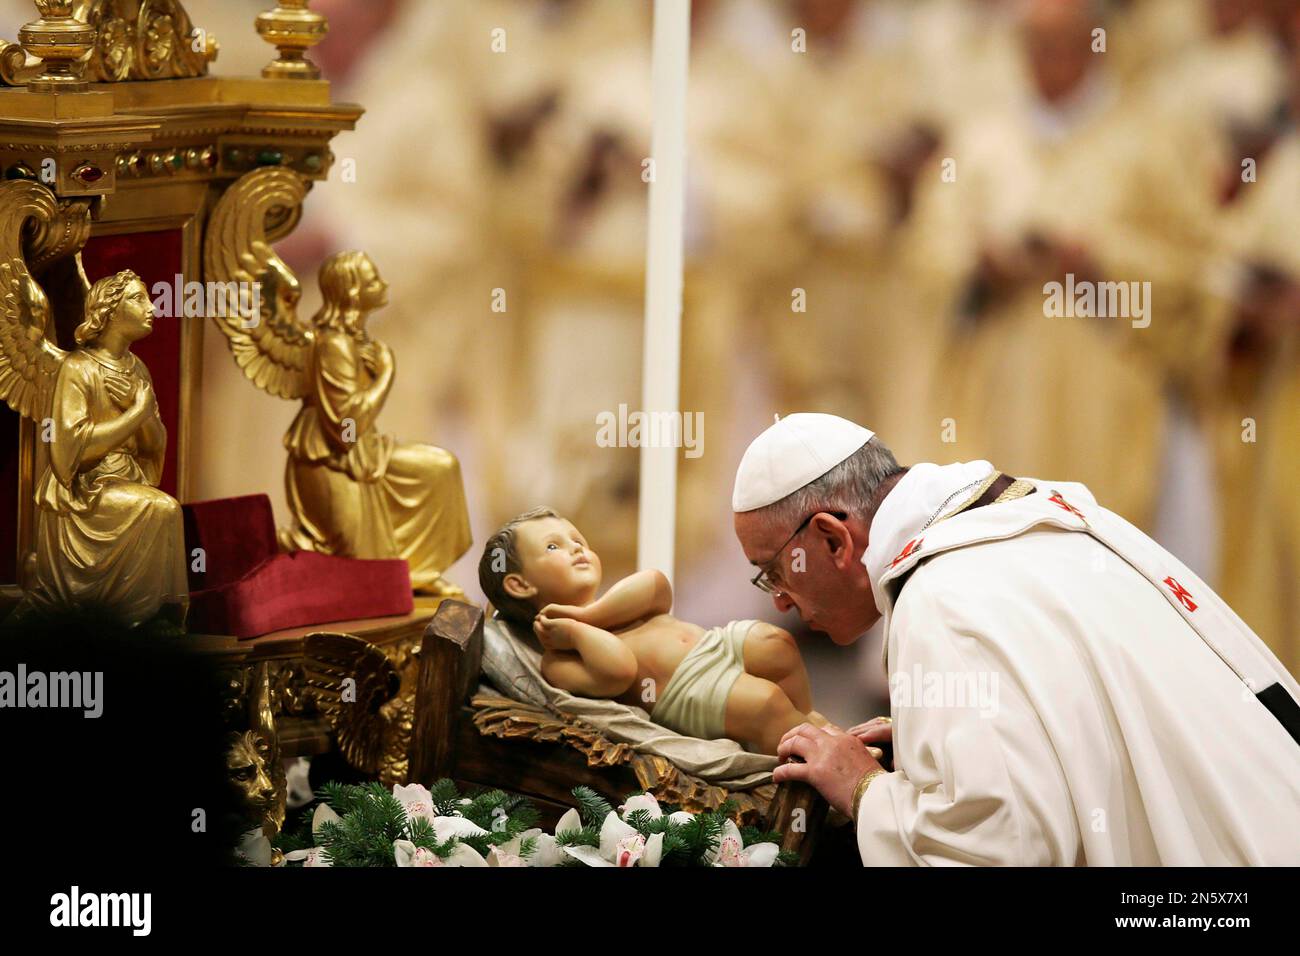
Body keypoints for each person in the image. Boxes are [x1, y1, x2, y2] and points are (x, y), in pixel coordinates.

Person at [732, 412, 1300, 865]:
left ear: (832, 539)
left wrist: (862, 788)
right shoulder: (1035, 519)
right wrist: (935, 734)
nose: (778, 601)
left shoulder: (943, 597)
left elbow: (998, 851)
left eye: (774, 571)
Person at [478, 507, 827, 754]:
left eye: (577, 540)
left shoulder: (611, 605)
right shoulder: (558, 659)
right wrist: (577, 630)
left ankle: (810, 721)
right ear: (519, 585)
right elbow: (619, 670)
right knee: (766, 704)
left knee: (775, 642)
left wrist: (592, 615)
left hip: (715, 646)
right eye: (553, 547)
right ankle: (809, 757)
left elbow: (657, 585)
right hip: (687, 690)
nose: (576, 548)